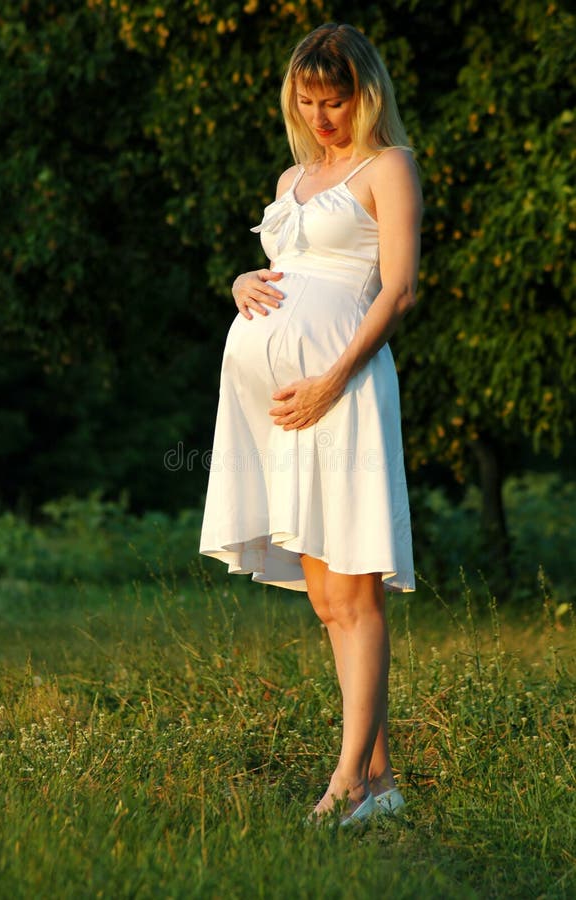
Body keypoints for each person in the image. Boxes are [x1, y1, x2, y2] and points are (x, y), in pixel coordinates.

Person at [199, 22, 422, 826]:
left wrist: (330, 381)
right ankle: (385, 781)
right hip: (284, 410)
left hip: (345, 391)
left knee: (356, 595)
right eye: (307, 100)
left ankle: (348, 785)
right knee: (330, 602)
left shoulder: (387, 167)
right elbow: (286, 269)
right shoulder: (295, 174)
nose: (322, 116)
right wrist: (239, 284)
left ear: (365, 95)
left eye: (335, 100)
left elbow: (395, 290)